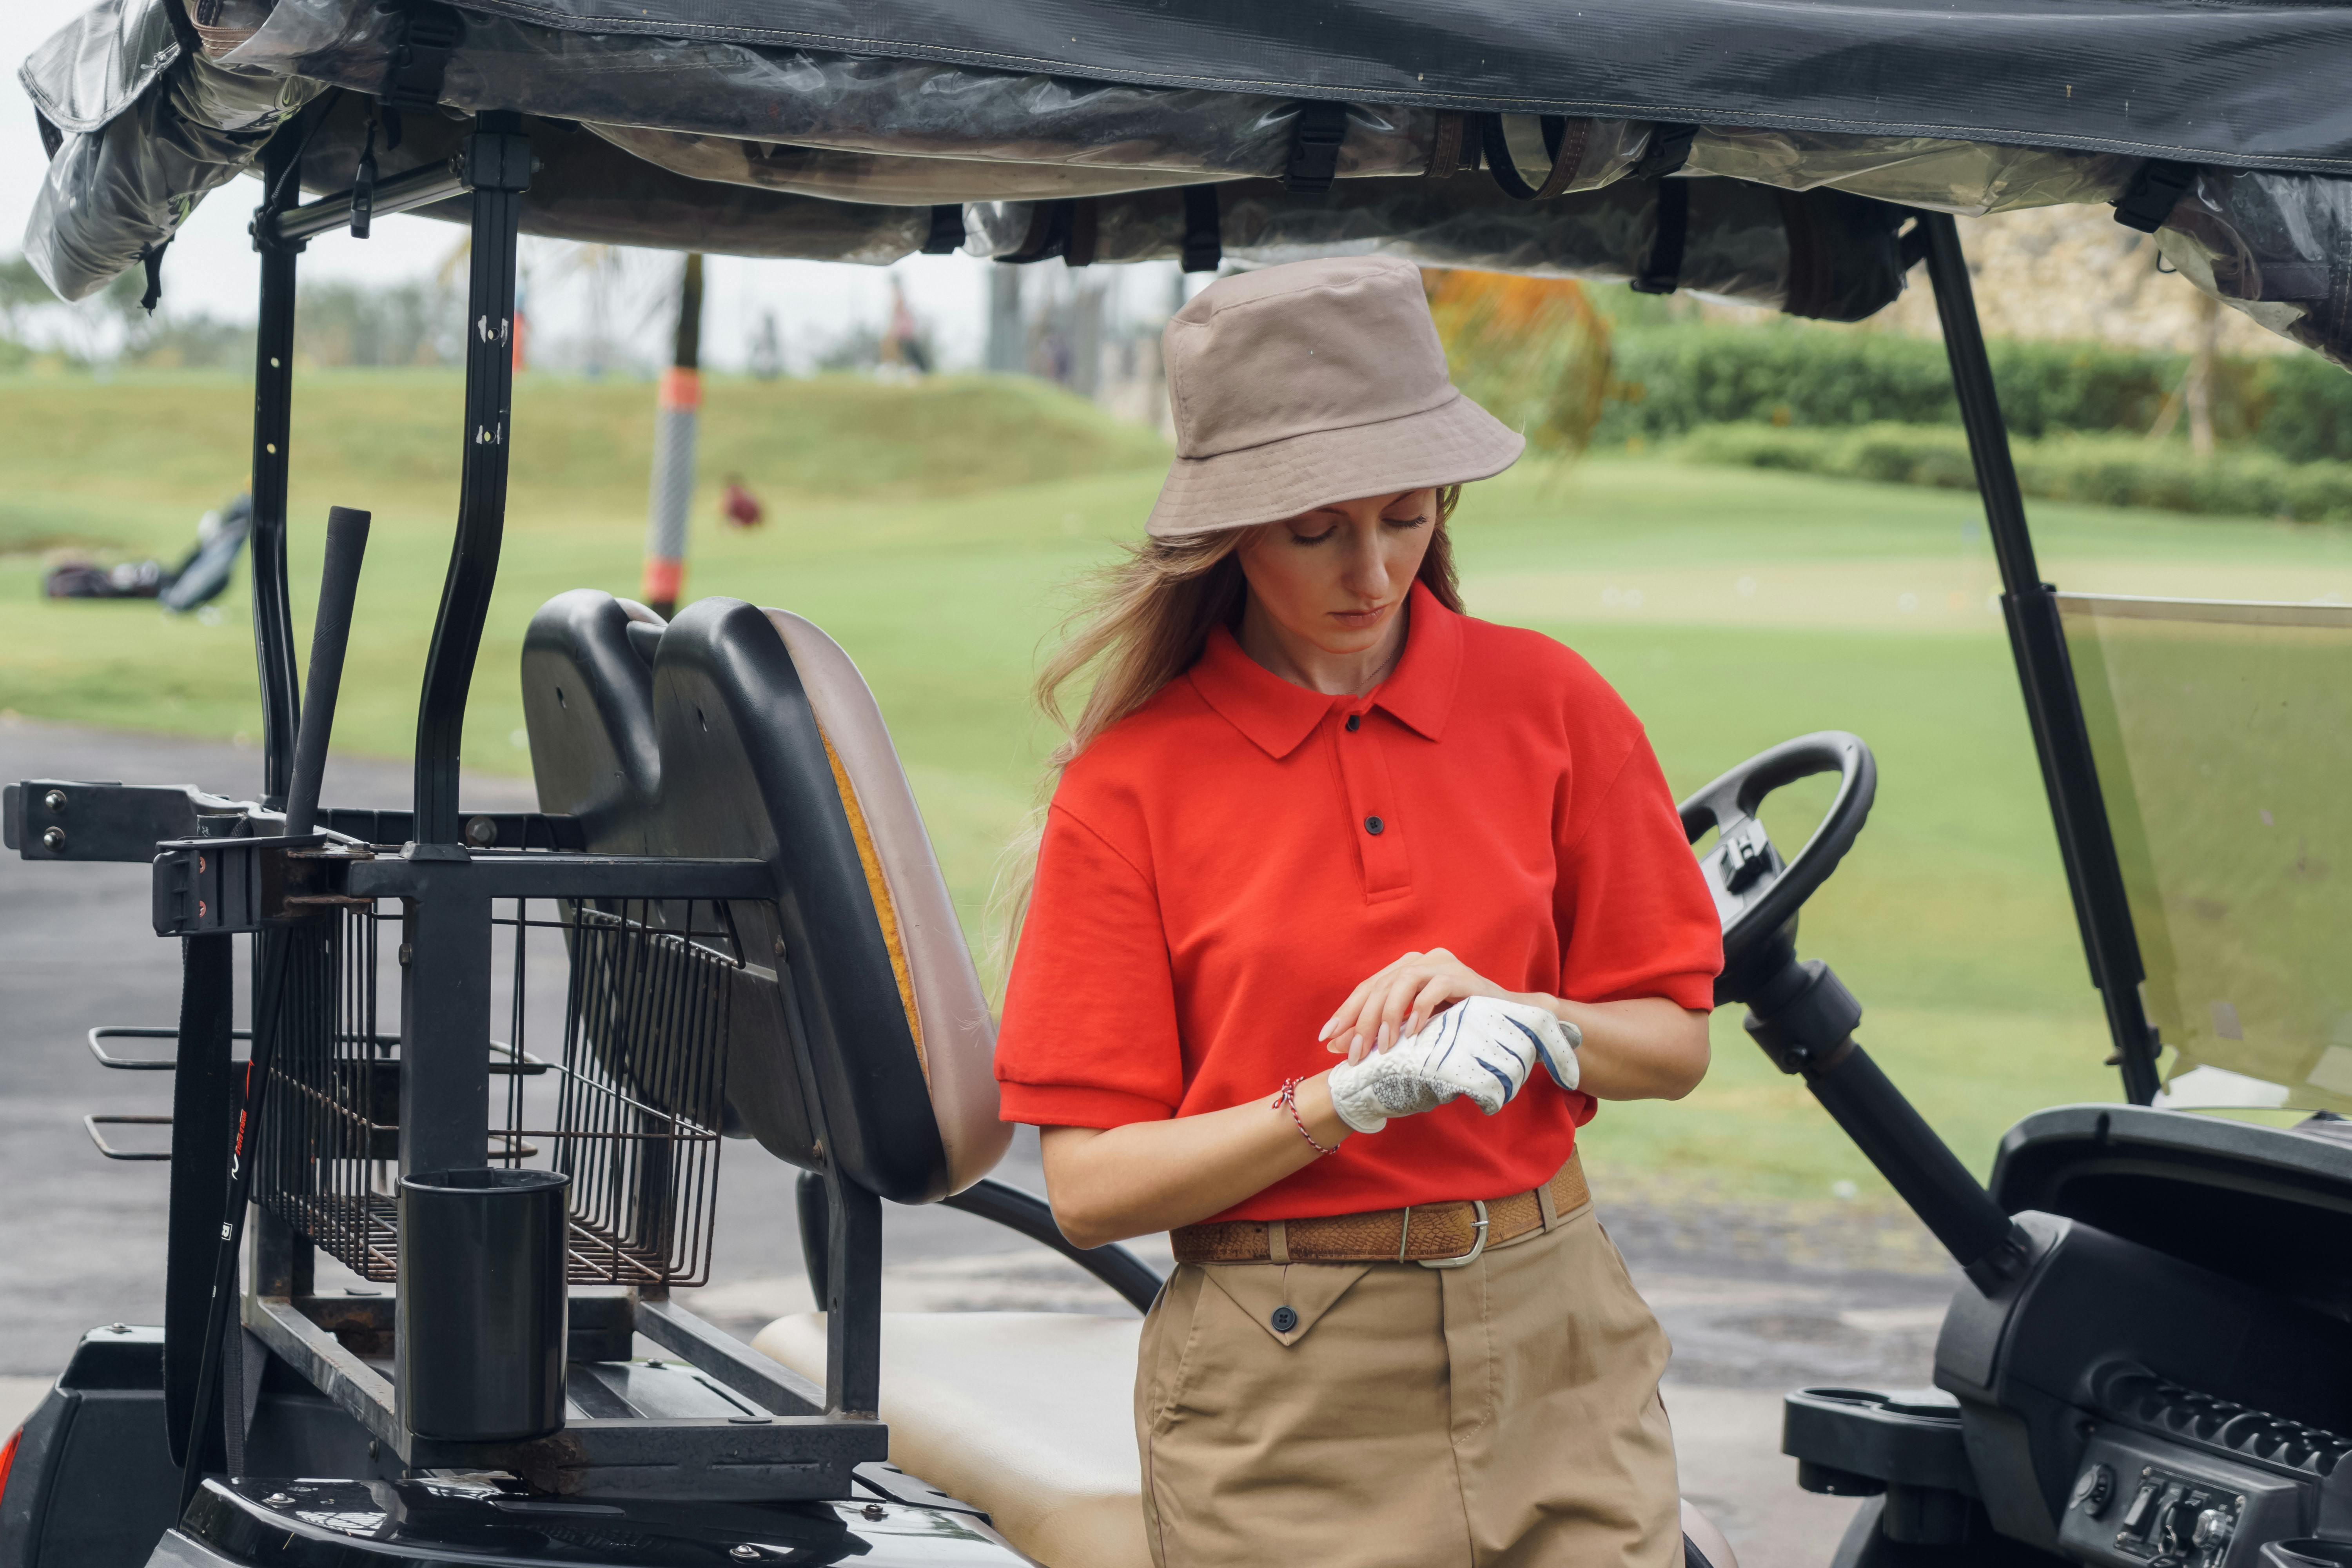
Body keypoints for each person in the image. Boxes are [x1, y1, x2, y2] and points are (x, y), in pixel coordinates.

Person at [993, 255, 1722, 1568]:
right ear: (1231, 536)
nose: (1375, 570)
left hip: (1560, 1343)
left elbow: (1673, 1039)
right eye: (1315, 530)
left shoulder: (1555, 705)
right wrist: (1352, 1098)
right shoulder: (1130, 786)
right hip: (1287, 1391)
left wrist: (1531, 1017)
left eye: (1406, 516)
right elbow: (1091, 1188)